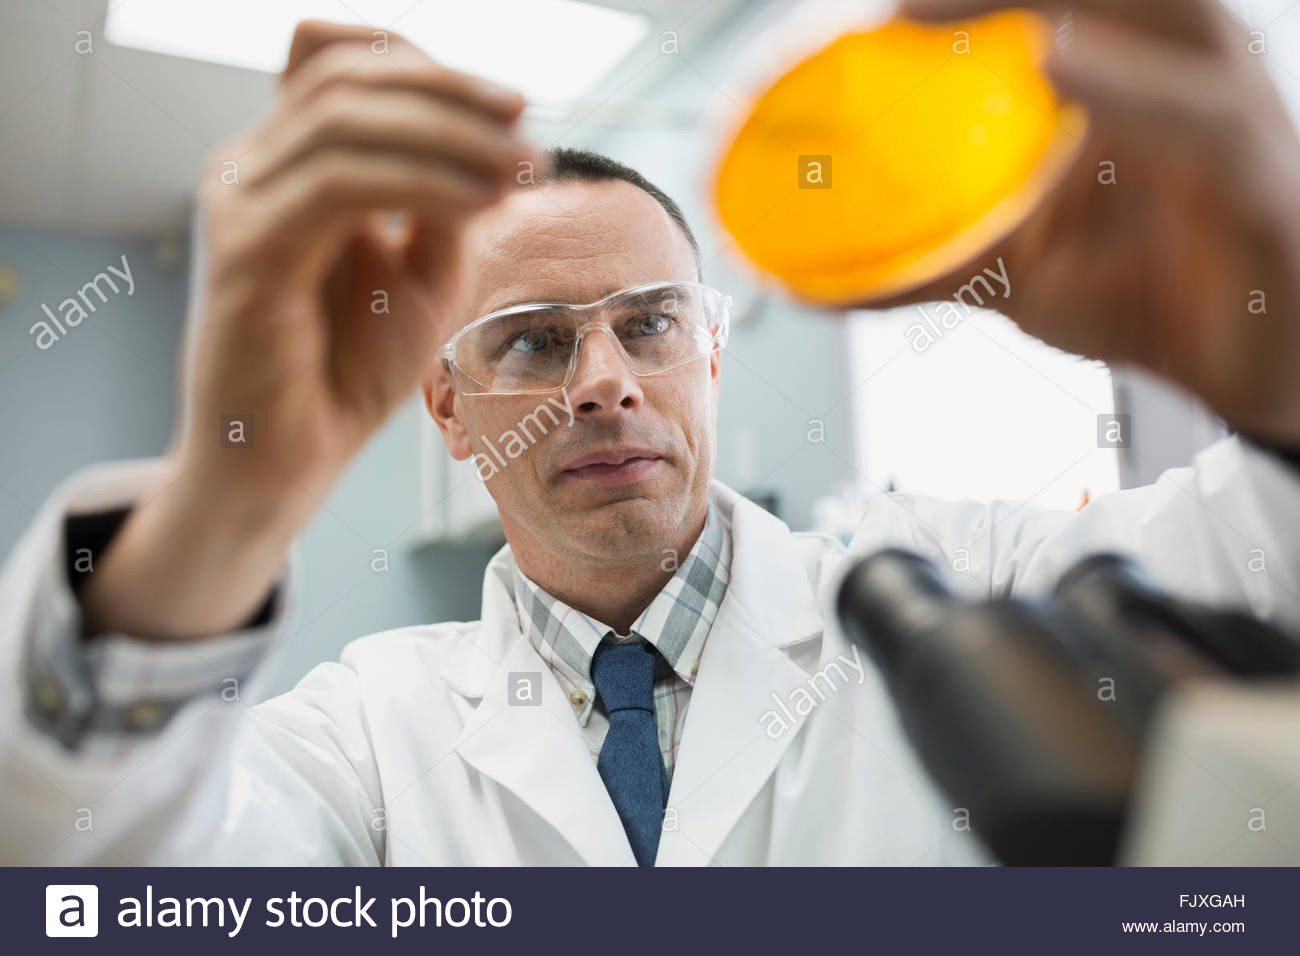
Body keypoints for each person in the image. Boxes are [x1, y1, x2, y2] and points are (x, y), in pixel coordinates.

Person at [3, 0, 1299, 866]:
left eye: (652, 325)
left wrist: (1280, 352)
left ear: (716, 355)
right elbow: (93, 881)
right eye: (533, 340)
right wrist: (226, 506)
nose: (605, 383)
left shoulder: (978, 585)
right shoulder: (364, 736)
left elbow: (1263, 572)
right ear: (446, 408)